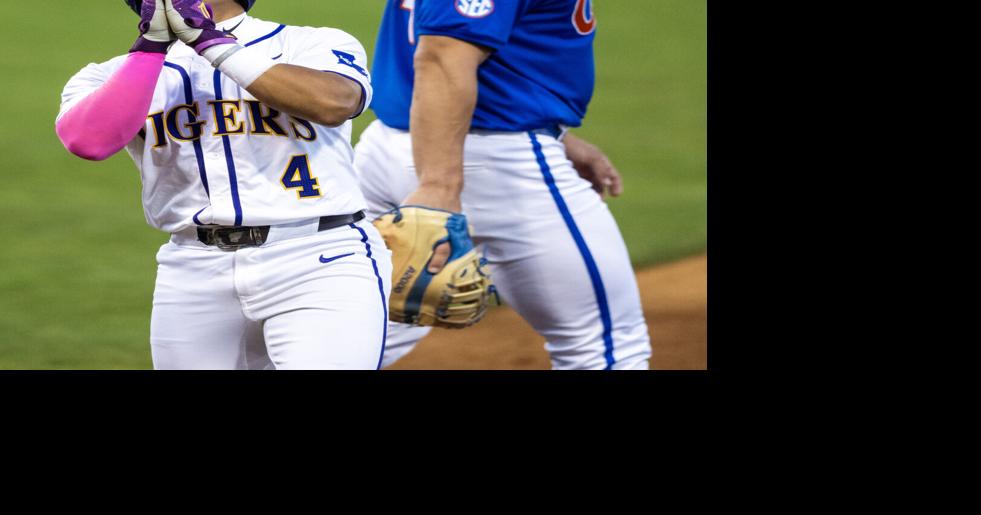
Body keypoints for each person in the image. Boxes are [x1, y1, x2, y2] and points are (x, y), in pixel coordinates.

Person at [55, 0, 391, 369]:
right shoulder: (110, 75)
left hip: (318, 258)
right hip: (193, 269)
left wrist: (214, 44)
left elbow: (335, 102)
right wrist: (151, 49)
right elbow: (88, 141)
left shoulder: (310, 44)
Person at [354, 0, 652, 369]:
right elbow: (444, 55)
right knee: (603, 345)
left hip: (392, 143)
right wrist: (438, 186)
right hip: (482, 162)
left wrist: (558, 138)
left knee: (357, 336)